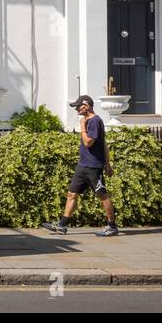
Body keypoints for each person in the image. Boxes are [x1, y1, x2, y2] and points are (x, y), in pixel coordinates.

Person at [43, 95, 118, 237]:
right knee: (72, 194)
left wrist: (82, 127)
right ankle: (62, 225)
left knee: (102, 195)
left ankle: (112, 226)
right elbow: (103, 144)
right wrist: (108, 163)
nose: (76, 109)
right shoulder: (89, 120)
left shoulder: (94, 121)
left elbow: (88, 142)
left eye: (78, 106)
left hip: (93, 167)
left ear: (87, 105)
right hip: (82, 166)